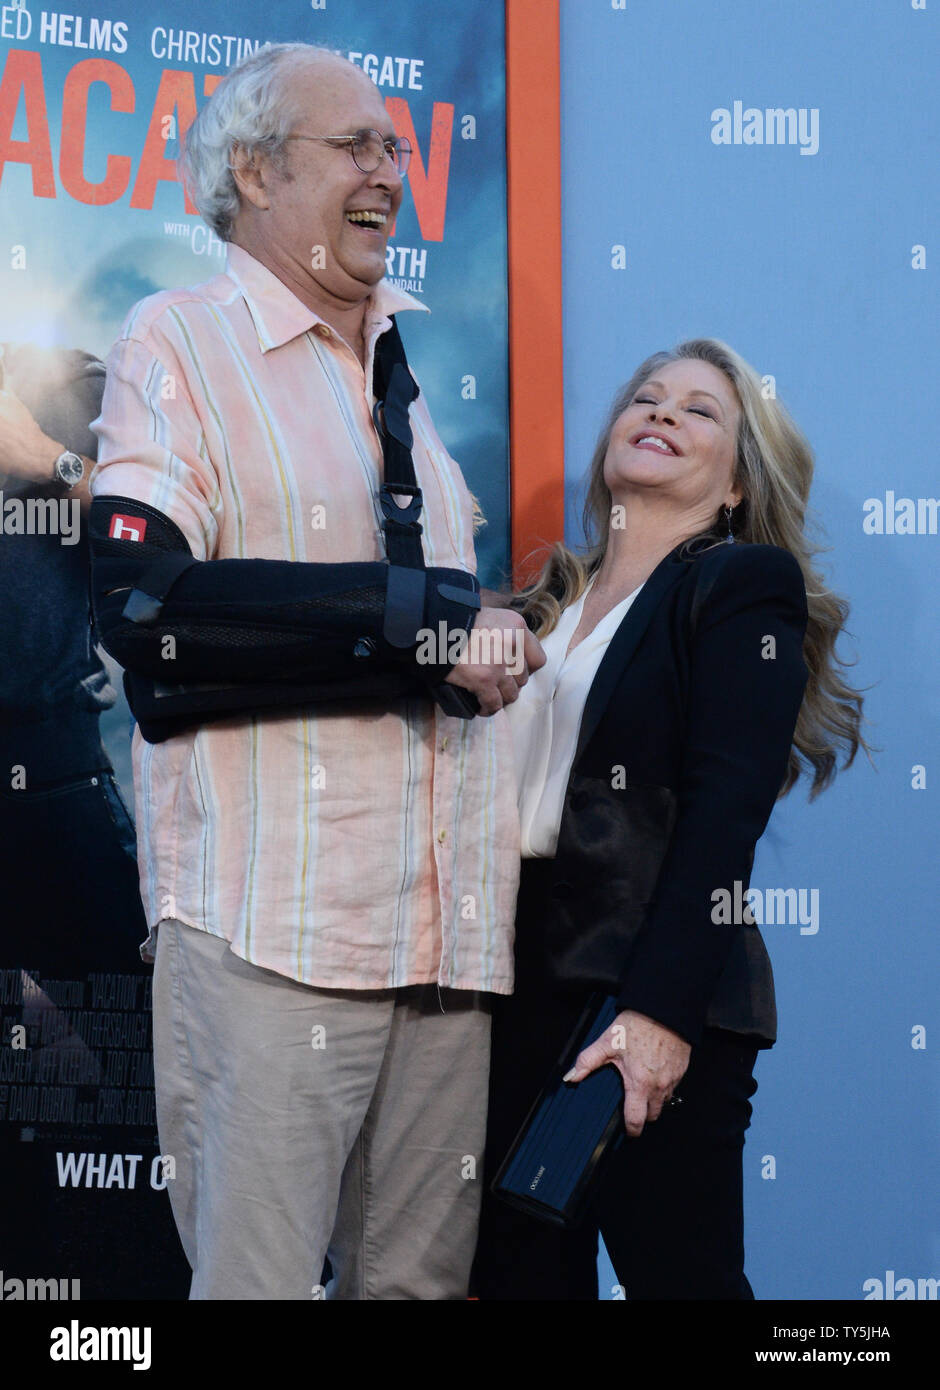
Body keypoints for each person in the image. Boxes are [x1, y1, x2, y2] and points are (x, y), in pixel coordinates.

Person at [87, 42, 542, 1300]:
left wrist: (464, 633)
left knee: (414, 1294)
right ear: (255, 171)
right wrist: (417, 621)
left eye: (394, 148)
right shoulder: (181, 339)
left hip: (445, 944)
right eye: (355, 146)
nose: (388, 172)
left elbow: (416, 625)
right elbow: (144, 606)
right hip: (272, 933)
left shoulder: (401, 375)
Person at [472, 338, 869, 1300]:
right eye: (646, 398)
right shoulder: (539, 606)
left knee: (684, 1286)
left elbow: (723, 818)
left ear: (737, 482)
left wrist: (654, 1012)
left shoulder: (740, 586)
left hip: (646, 993)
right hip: (511, 993)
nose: (661, 415)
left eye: (700, 412)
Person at [0, 342, 189, 1297]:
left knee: (139, 1096)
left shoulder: (73, 389)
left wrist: (41, 456)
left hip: (55, 788)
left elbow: (160, 548)